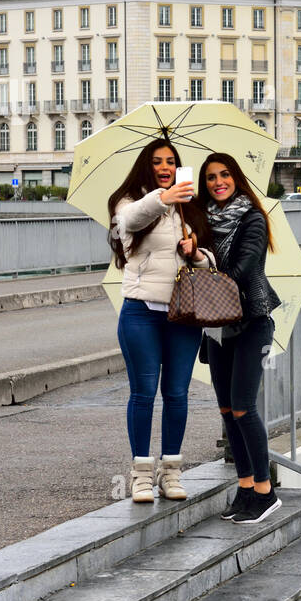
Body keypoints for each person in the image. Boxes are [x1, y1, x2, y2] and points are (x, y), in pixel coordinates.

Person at [108, 139, 207, 504]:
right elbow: (128, 222)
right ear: (145, 166)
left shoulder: (190, 207)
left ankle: (171, 473)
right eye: (157, 161)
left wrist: (195, 253)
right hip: (140, 313)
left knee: (178, 393)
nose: (165, 167)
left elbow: (208, 259)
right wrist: (163, 198)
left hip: (183, 313)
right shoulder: (129, 201)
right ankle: (141, 475)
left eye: (171, 162)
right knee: (144, 393)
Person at [198, 152, 283, 525]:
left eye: (225, 175)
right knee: (225, 410)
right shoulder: (199, 221)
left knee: (244, 407)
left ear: (236, 178)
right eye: (211, 177)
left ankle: (266, 492)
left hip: (251, 319)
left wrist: (201, 259)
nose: (218, 182)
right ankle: (245, 487)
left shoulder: (252, 219)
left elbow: (239, 270)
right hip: (217, 325)